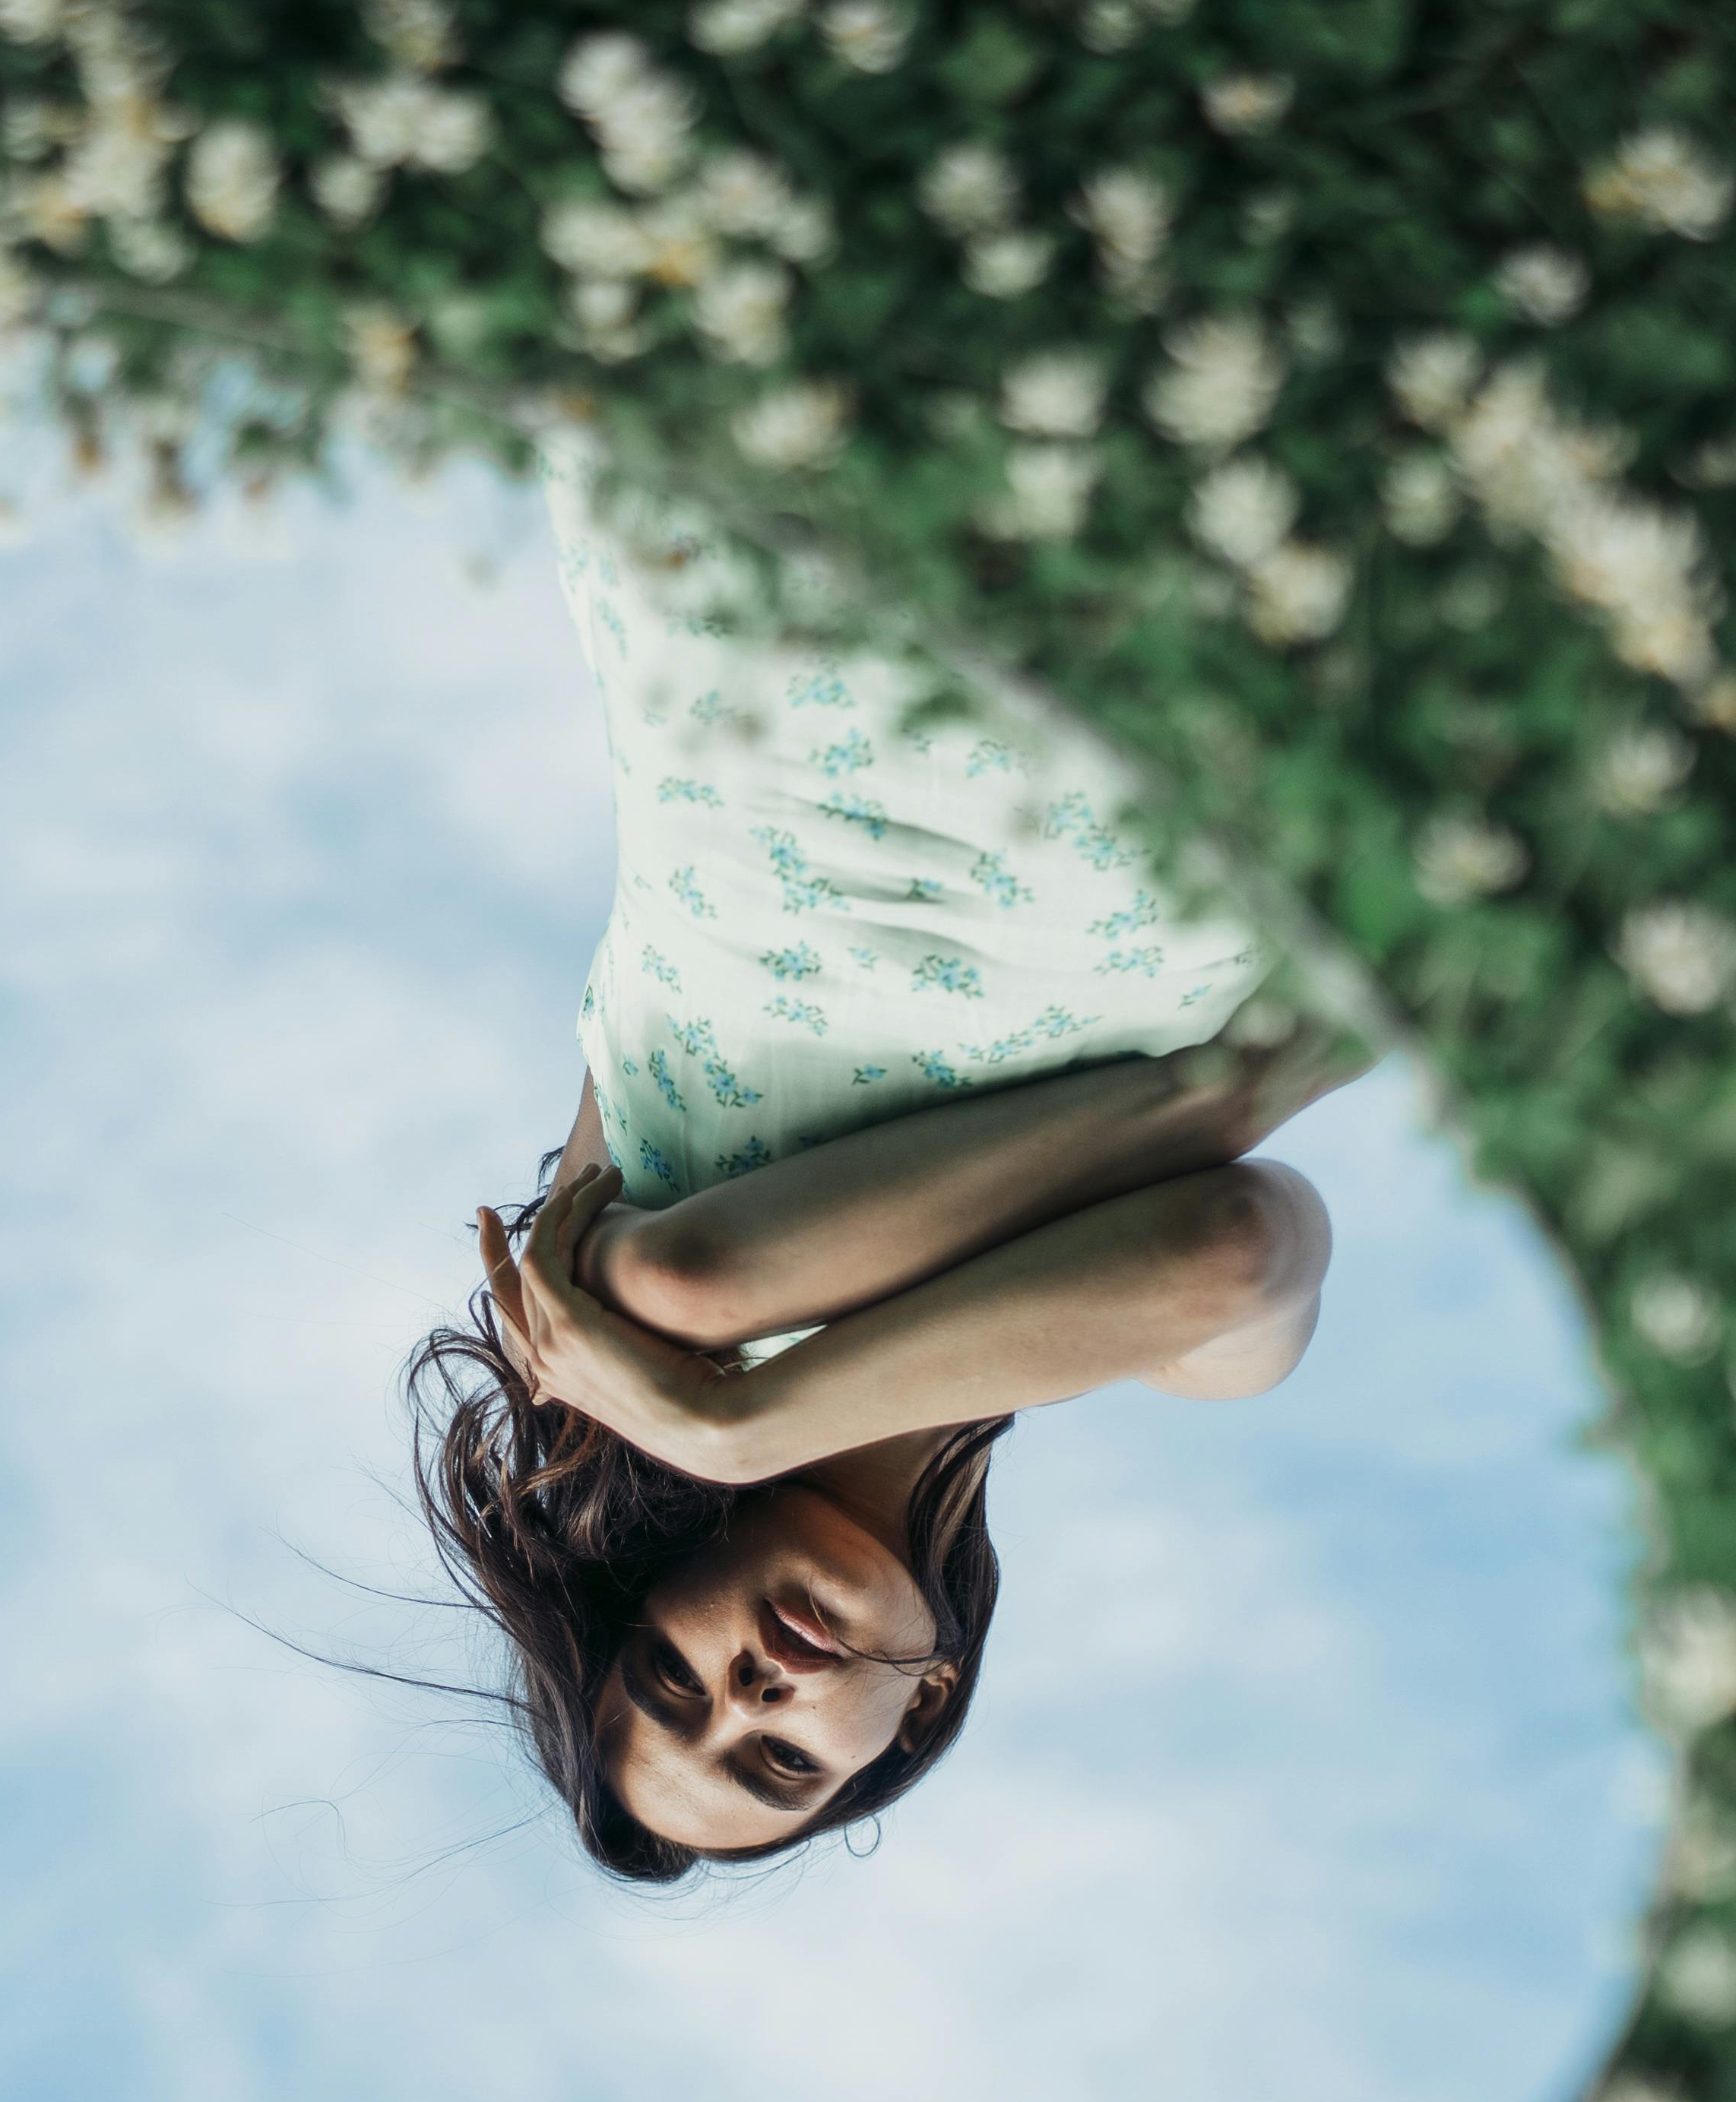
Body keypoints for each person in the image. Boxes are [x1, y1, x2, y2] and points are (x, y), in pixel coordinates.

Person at [406, 426, 1379, 1880]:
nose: (748, 1689)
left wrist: (1208, 1099)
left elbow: (707, 1252)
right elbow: (1232, 1245)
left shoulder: (646, 1314)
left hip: (772, 601)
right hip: (1143, 706)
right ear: (917, 1715)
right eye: (780, 1756)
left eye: (672, 1674)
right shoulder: (1167, 1351)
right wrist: (740, 1422)